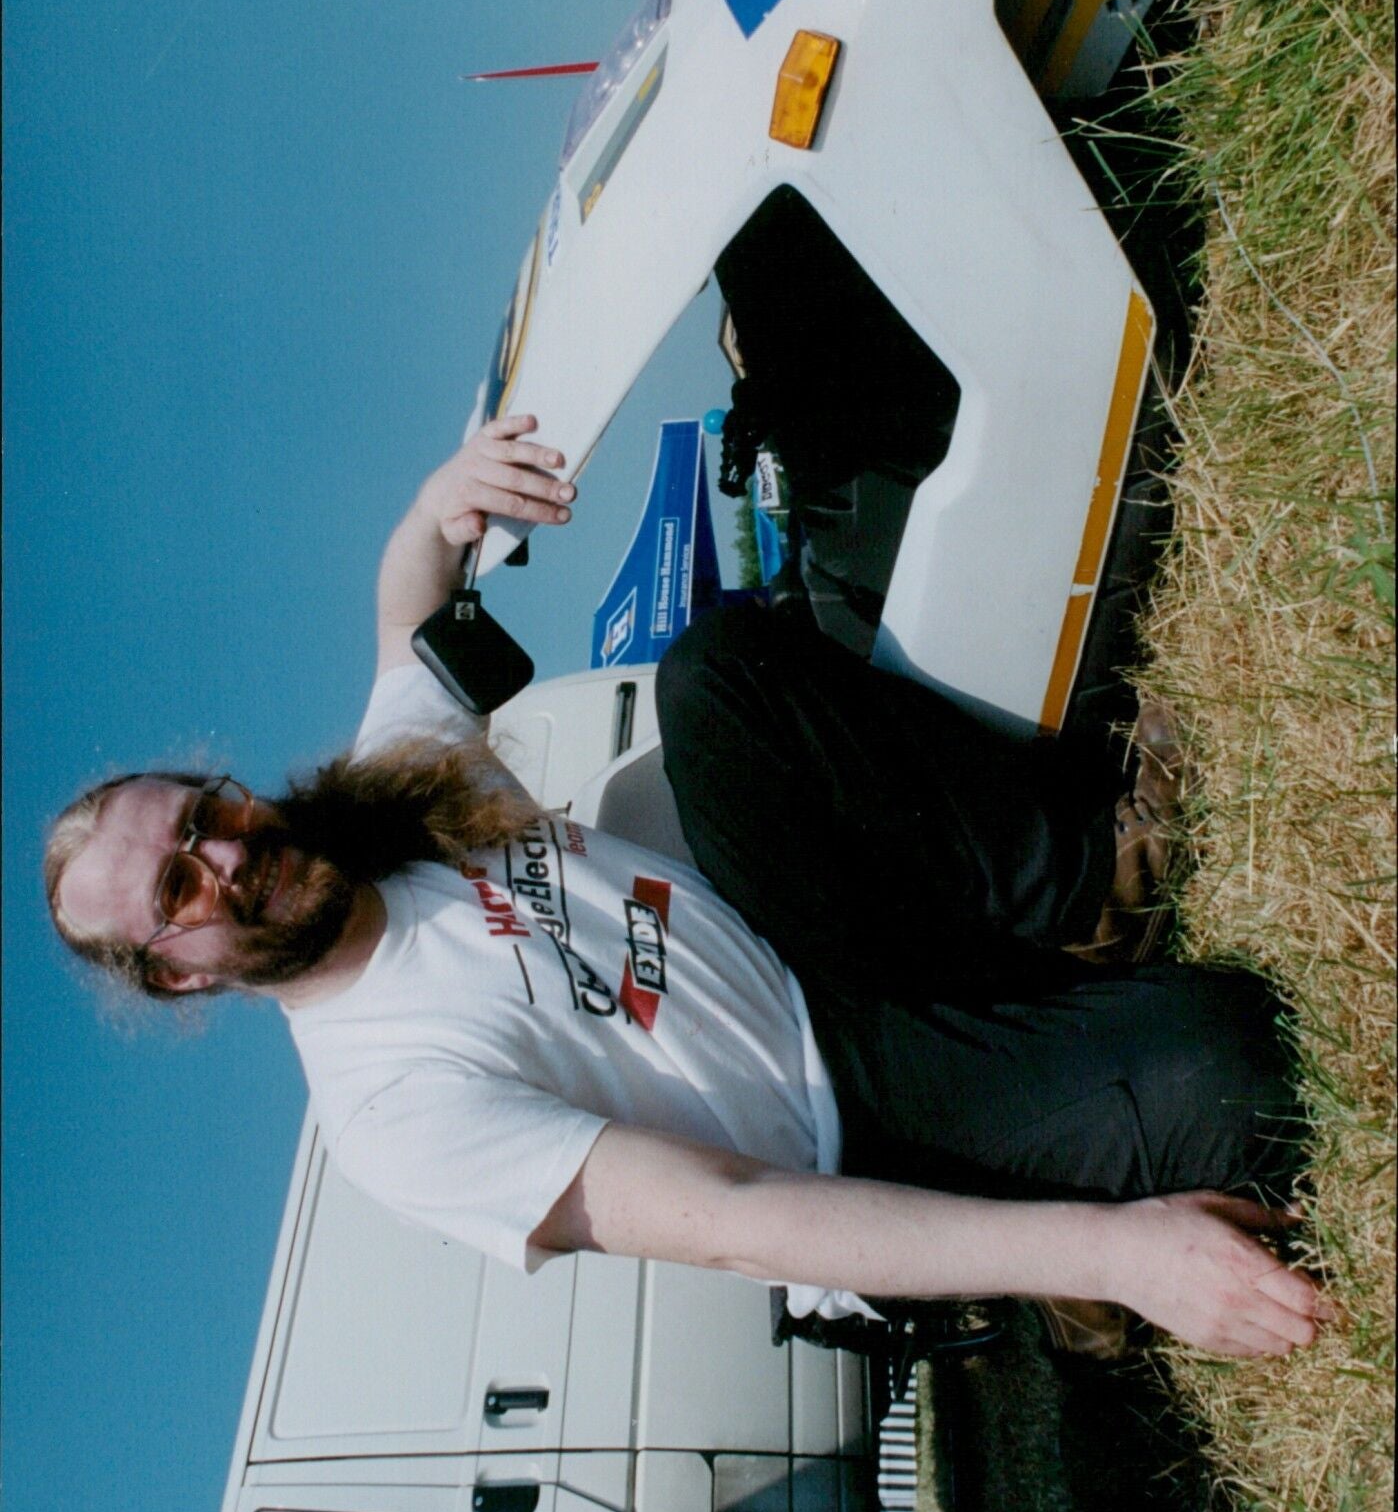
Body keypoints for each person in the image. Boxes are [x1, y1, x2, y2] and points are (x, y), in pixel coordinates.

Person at [45, 415, 1331, 1359]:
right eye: (180, 885)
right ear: (176, 975)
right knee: (1243, 1059)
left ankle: (1088, 891)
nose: (226, 856)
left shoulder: (381, 803)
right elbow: (734, 1215)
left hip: (800, 944)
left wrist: (444, 495)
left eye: (204, 814)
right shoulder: (387, 1103)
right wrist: (1122, 1250)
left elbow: (404, 610)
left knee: (715, 675)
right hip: (850, 1119)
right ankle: (1067, 1263)